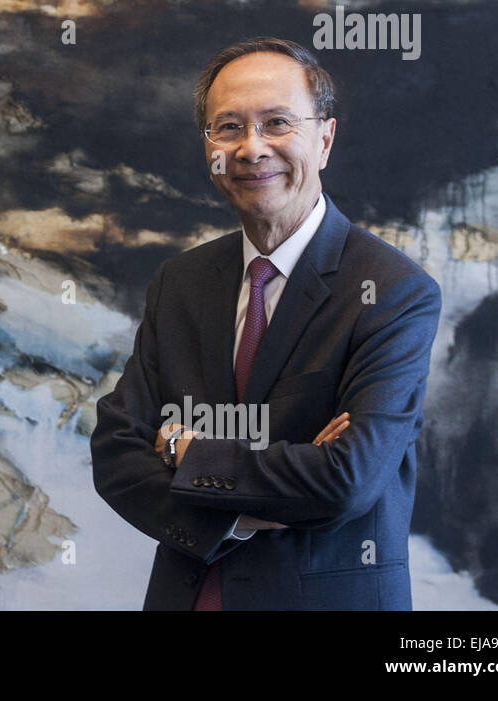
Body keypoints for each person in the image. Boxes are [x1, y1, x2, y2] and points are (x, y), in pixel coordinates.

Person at [90, 37, 442, 609]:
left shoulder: (394, 290)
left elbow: (346, 478)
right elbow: (116, 450)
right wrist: (236, 516)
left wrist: (187, 452)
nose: (252, 149)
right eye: (227, 127)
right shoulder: (180, 282)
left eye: (277, 122)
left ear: (324, 139)